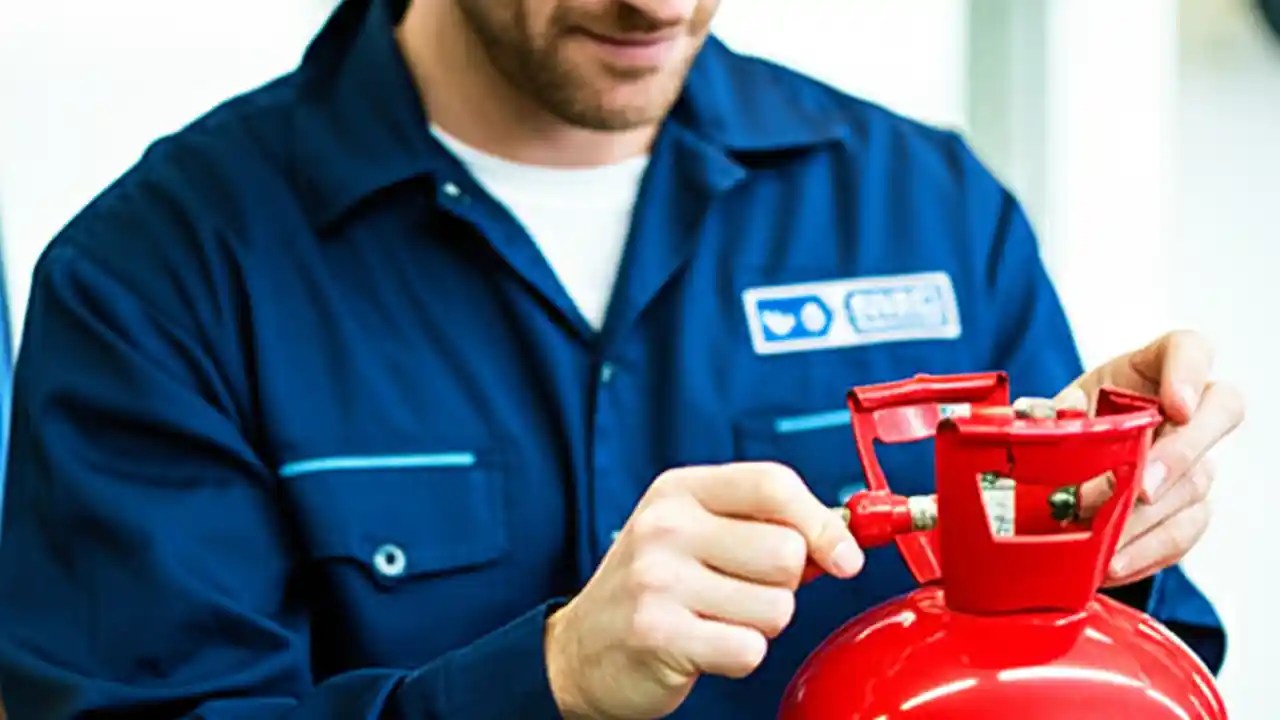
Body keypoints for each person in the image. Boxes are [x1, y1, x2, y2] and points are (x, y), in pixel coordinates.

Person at [0, 0, 1245, 717]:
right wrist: (543, 680)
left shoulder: (927, 211)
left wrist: (1080, 531)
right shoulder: (155, 279)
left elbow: (1139, 677)